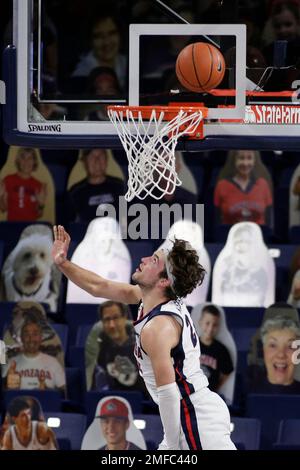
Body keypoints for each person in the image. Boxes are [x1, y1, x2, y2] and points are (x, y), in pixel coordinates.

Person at [52, 225, 236, 450]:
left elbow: (168, 393)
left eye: (155, 260)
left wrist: (170, 443)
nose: (146, 258)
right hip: (190, 413)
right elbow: (99, 286)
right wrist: (63, 262)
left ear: (164, 281)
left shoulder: (158, 328)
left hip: (193, 418)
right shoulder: (148, 298)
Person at [85, 301, 146, 395]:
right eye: (107, 319)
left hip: (141, 402)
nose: (111, 325)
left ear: (125, 317)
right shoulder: (99, 348)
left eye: (116, 318)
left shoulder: (141, 343)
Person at [2, 319, 66, 393]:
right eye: (26, 334)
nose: (31, 339)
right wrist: (6, 384)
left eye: (35, 334)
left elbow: (64, 394)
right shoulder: (11, 364)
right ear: (21, 338)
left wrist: (47, 391)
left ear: (41, 337)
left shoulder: (53, 363)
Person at [214, 149, 273, 226]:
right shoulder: (222, 185)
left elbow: (268, 220)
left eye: (249, 158)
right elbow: (215, 219)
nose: (245, 163)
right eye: (241, 158)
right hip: (230, 235)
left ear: (255, 160)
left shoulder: (263, 184)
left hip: (258, 236)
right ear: (234, 160)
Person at [67, 148, 124, 223]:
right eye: (92, 157)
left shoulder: (120, 187)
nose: (97, 161)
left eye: (101, 156)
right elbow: (70, 225)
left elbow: (127, 219)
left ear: (107, 160)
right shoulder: (75, 193)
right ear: (84, 162)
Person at [72, 13, 126, 91]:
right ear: (90, 41)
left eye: (112, 33)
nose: (106, 42)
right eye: (98, 36)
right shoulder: (80, 75)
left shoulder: (130, 65)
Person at [246, 316, 300, 394]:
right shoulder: (245, 394)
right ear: (263, 350)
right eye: (273, 345)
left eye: (290, 346)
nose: (281, 354)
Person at [0, 147, 47, 221]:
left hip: (30, 227)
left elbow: (39, 214)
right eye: (23, 158)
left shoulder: (39, 185)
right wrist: (1, 197)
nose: (26, 162)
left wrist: (41, 204)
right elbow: (3, 209)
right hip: (12, 225)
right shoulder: (8, 180)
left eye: (30, 158)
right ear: (19, 161)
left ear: (34, 161)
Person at [198, 304, 234, 393]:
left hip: (209, 395)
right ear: (200, 322)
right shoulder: (190, 345)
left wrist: (216, 387)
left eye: (214, 325)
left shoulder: (221, 350)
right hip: (191, 393)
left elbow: (227, 372)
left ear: (218, 326)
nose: (210, 328)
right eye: (207, 323)